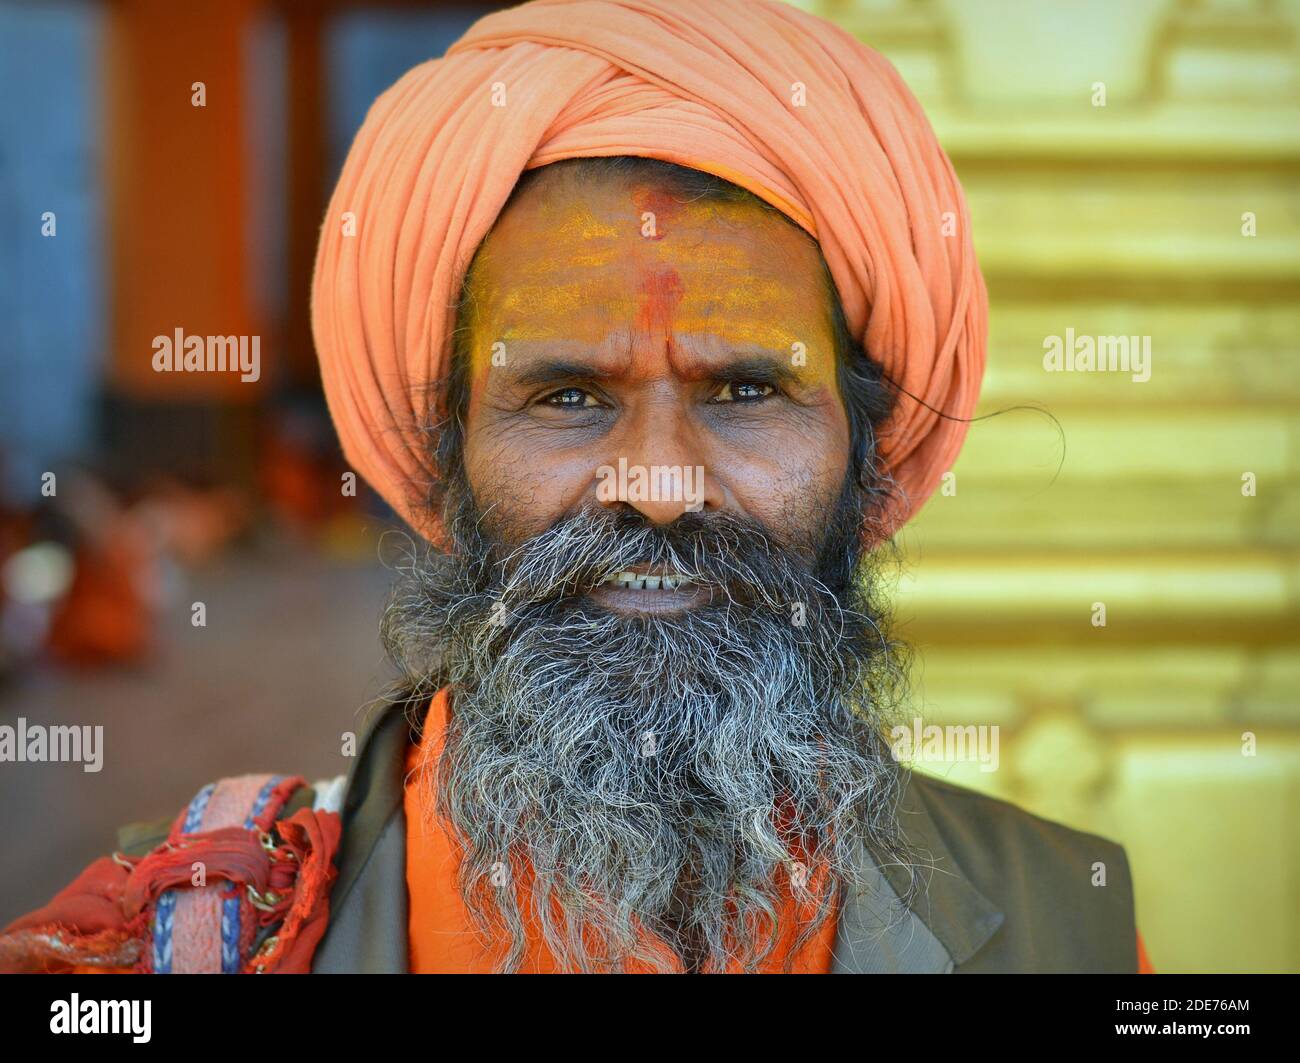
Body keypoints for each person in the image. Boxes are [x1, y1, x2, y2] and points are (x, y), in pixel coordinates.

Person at [1, 0, 1151, 974]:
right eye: (565, 398)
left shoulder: (1069, 922)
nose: (657, 486)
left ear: (869, 444)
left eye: (745, 391)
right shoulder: (188, 933)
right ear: (442, 451)